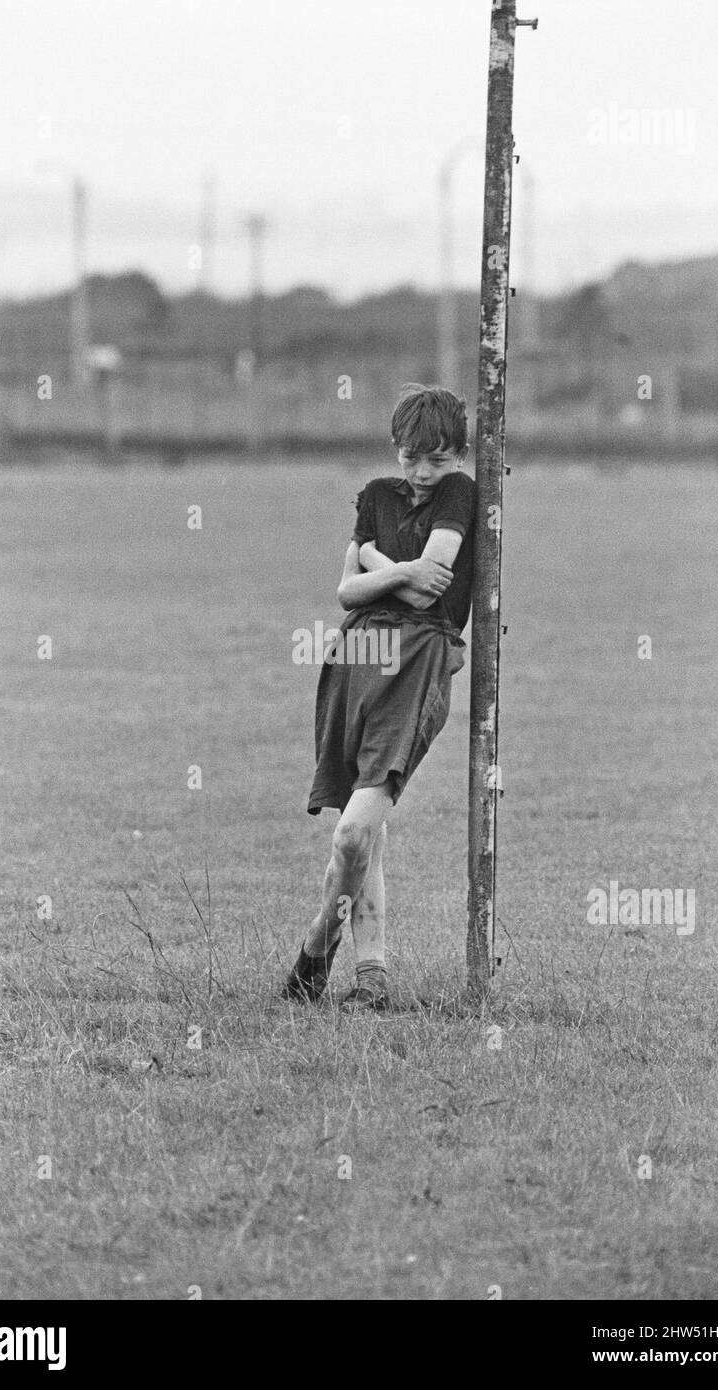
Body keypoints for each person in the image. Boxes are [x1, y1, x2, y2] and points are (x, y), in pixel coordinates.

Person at [281, 383, 477, 1012]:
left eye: (438, 459)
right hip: (356, 658)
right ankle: (369, 977)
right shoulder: (374, 495)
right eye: (411, 458)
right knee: (365, 835)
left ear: (458, 455)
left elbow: (427, 593)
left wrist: (373, 562)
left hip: (420, 659)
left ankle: (316, 946)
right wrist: (385, 563)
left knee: (353, 834)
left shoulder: (460, 492)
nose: (422, 474)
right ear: (397, 450)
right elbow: (346, 594)